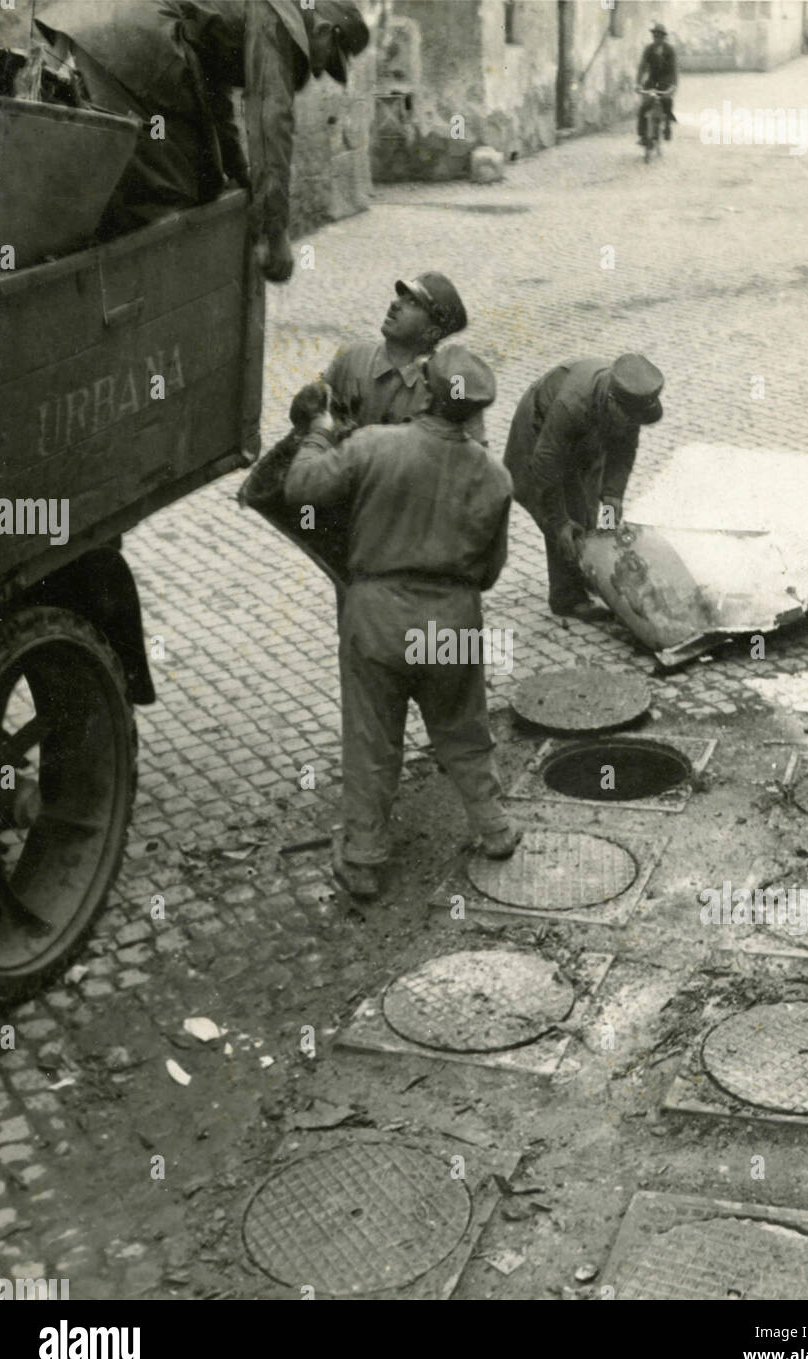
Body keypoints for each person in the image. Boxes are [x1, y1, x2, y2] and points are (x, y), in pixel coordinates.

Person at [283, 346, 519, 900]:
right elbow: (489, 573)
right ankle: (495, 829)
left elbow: (301, 489)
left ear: (429, 392)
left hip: (377, 617)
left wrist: (317, 432)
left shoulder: (373, 446)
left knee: (372, 740)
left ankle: (364, 858)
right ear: (476, 410)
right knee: (463, 729)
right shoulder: (495, 477)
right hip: (452, 621)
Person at [34, 0, 369, 279]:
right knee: (168, 188)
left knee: (162, 173)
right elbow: (270, 120)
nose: (319, 71)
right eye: (329, 59)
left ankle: (61, 253)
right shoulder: (281, 21)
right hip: (128, 35)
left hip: (99, 23)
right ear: (327, 29)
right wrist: (275, 230)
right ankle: (102, 289)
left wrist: (236, 171)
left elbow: (212, 93)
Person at [503, 354, 664, 622]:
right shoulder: (572, 405)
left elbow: (624, 452)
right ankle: (568, 598)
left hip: (584, 441)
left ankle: (591, 574)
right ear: (612, 403)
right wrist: (560, 522)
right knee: (569, 526)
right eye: (627, 419)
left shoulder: (629, 403)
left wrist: (612, 496)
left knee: (589, 517)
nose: (630, 425)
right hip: (538, 438)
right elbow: (545, 465)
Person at [322, 272, 482, 434]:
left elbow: (469, 453)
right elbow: (310, 420)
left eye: (412, 302)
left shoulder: (448, 388)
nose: (395, 304)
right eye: (400, 297)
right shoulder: (352, 357)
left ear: (432, 332)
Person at [636, 21, 677, 144]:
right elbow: (642, 67)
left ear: (664, 37)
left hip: (666, 79)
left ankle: (667, 125)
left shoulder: (669, 50)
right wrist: (638, 84)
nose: (657, 38)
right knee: (644, 106)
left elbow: (674, 70)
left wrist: (673, 86)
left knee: (666, 101)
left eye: (659, 36)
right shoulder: (649, 49)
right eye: (655, 36)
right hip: (652, 80)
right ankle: (643, 135)